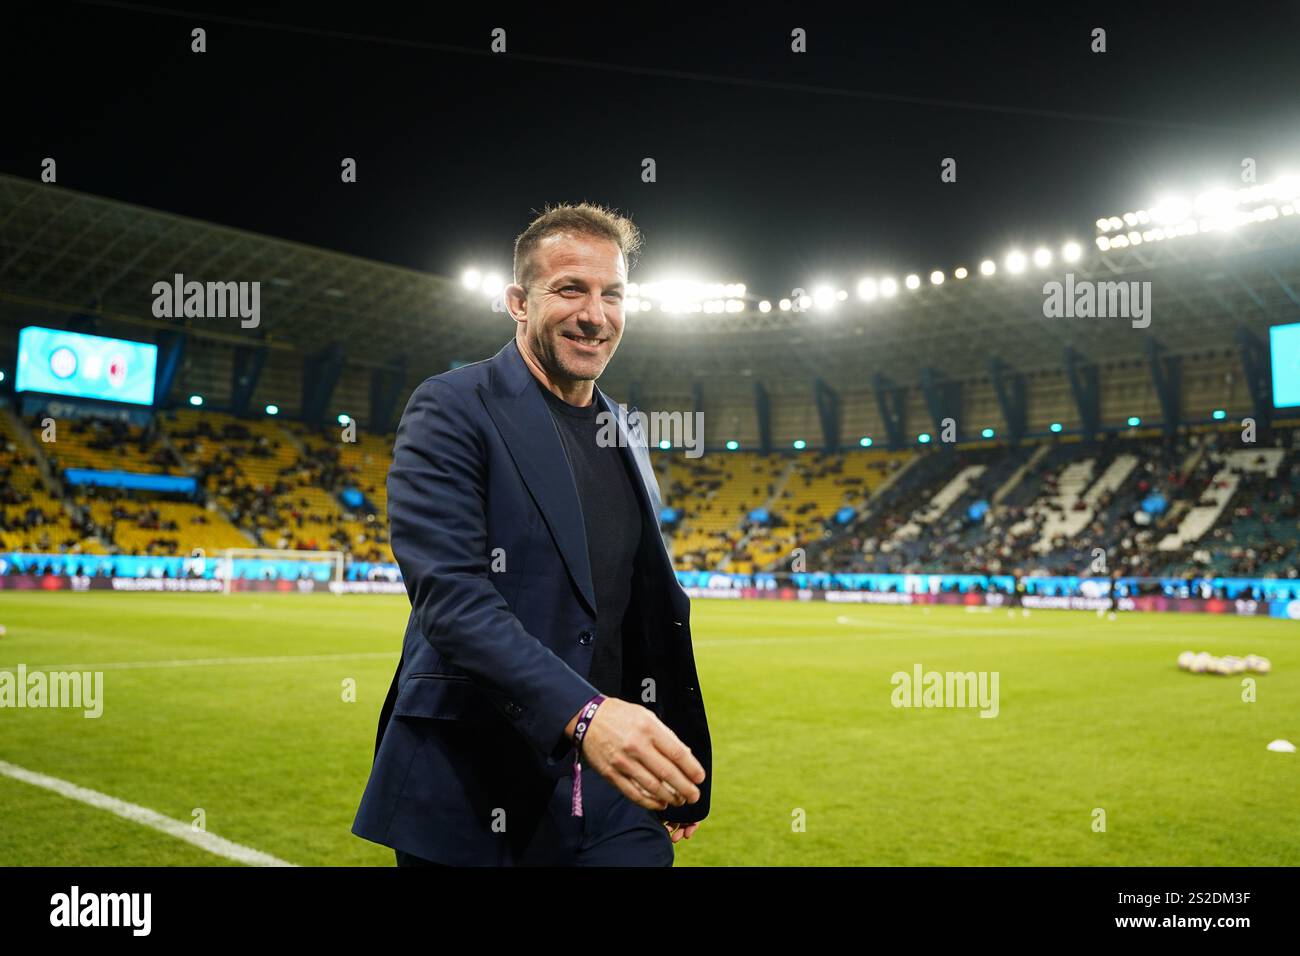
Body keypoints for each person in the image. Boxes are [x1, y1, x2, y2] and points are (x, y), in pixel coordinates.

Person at [352, 203, 711, 866]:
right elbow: (453, 599)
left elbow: (642, 606)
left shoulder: (623, 429)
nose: (594, 315)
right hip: (473, 779)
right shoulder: (453, 406)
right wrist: (584, 716)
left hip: (606, 792)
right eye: (569, 289)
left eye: (613, 295)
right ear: (518, 301)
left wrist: (673, 756)